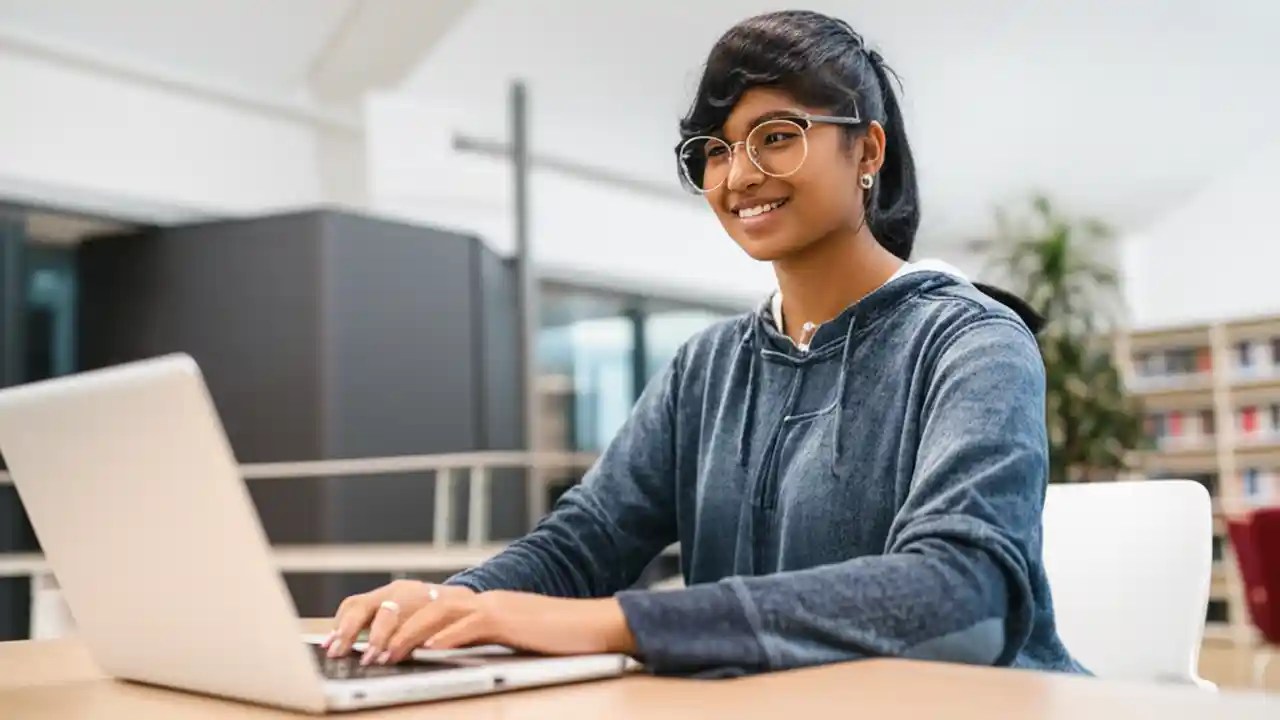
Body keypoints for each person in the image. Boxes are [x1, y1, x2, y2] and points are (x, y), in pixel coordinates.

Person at [324, 9, 1085, 677]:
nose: (738, 175)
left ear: (868, 152)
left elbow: (961, 597)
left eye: (776, 137)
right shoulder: (706, 368)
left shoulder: (974, 343)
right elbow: (587, 540)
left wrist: (621, 625)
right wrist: (454, 603)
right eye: (714, 150)